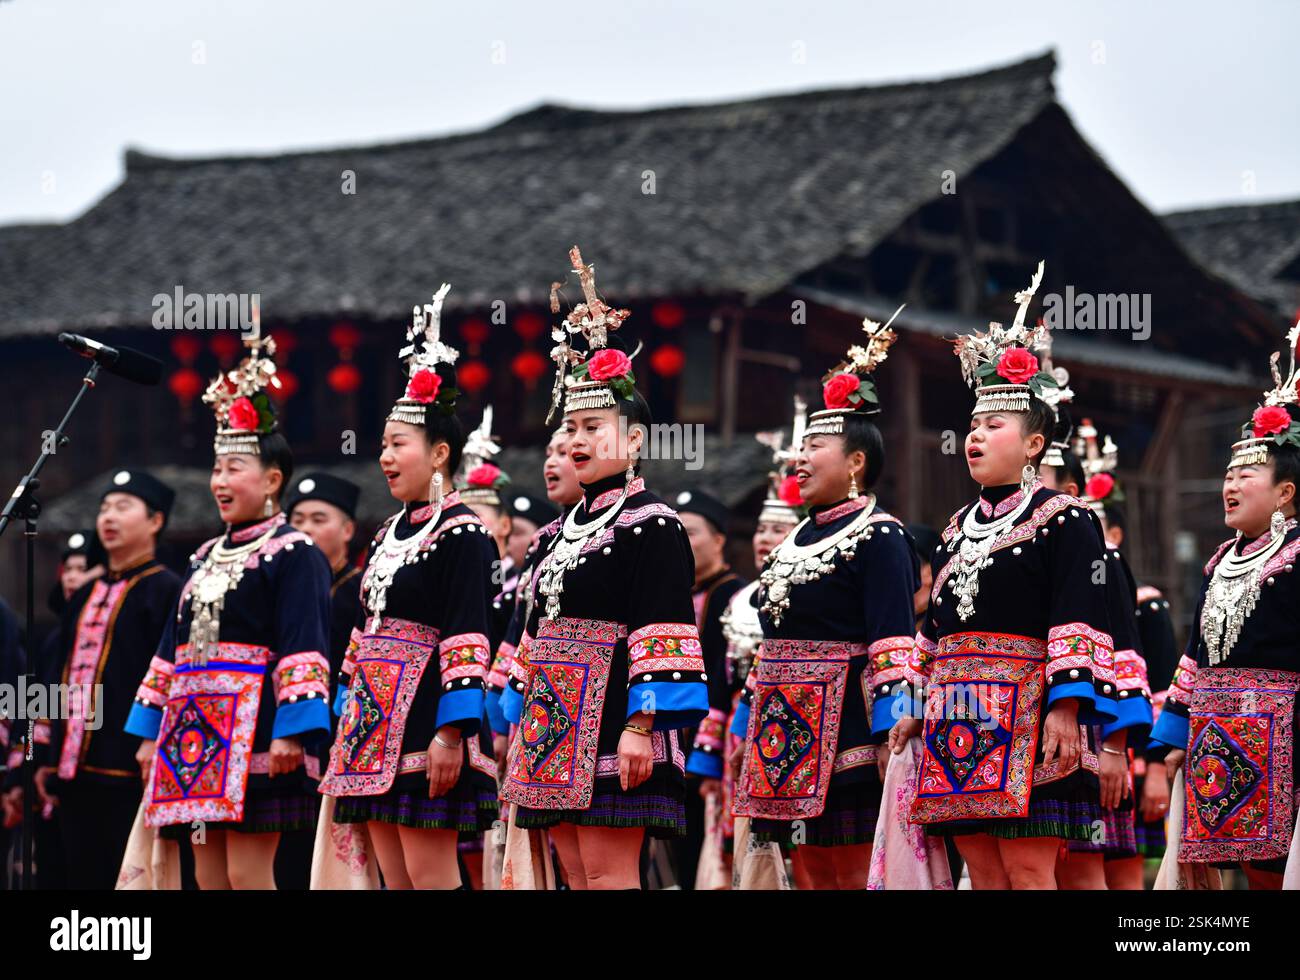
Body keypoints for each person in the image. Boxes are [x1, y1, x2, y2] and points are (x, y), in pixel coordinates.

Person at [888, 263, 1118, 889]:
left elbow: (1078, 618)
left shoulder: (1065, 519)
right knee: (983, 872)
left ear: (1035, 444)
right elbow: (934, 628)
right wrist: (910, 702)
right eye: (972, 427)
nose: (975, 437)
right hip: (954, 714)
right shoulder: (957, 525)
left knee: (1028, 869)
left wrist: (1067, 711)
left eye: (993, 427)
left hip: (1030, 714)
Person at [499, 247, 708, 889]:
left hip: (615, 723)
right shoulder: (556, 534)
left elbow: (663, 628)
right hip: (550, 724)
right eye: (571, 428)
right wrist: (515, 716)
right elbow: (533, 634)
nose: (579, 440)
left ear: (635, 439)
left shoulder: (654, 524)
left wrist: (641, 726)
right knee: (572, 874)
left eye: (594, 426)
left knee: (609, 875)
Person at [126, 321, 334, 889]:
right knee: (207, 877)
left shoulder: (293, 553)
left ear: (271, 480)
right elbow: (169, 652)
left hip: (259, 732)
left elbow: (304, 642)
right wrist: (150, 732)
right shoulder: (201, 556)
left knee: (247, 876)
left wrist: (292, 730)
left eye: (233, 468)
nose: (219, 480)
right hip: (191, 733)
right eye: (217, 468)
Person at [319, 283, 499, 889]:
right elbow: (364, 628)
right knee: (393, 879)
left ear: (440, 452)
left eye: (398, 445)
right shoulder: (389, 532)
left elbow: (470, 631)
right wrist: (345, 712)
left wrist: (453, 730)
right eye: (383, 447)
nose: (385, 459)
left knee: (430, 875)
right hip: (371, 727)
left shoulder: (463, 533)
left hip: (426, 725)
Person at [734, 308, 918, 890]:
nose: (800, 459)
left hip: (849, 731)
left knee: (850, 868)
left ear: (857, 462)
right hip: (781, 727)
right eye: (801, 446)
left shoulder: (880, 534)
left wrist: (893, 731)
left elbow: (893, 639)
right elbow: (771, 639)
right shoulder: (794, 536)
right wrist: (744, 722)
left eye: (815, 445)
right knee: (807, 871)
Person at [1151, 322, 1300, 889]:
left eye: (1246, 474)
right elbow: (1195, 657)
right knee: (1232, 873)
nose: (1229, 486)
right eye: (1227, 475)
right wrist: (1172, 736)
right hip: (1219, 737)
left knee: (1277, 872)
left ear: (1285, 491)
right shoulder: (1218, 563)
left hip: (1287, 734)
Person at [29, 471, 182, 890]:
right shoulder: (83, 594)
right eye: (104, 507)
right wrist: (43, 755)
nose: (108, 517)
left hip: (132, 768)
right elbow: (55, 675)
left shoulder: (167, 589)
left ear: (155, 521)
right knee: (79, 876)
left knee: (133, 875)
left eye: (123, 507)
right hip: (73, 770)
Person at [283, 470, 363, 889]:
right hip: (287, 741)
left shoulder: (360, 590)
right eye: (296, 521)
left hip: (342, 737)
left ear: (348, 529)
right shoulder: (281, 585)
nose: (306, 530)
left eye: (319, 519)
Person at [674, 488, 745, 888]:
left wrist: (706, 750)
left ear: (719, 539)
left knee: (710, 853)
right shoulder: (676, 593)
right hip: (673, 744)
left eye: (693, 532)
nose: (684, 541)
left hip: (711, 746)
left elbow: (723, 674)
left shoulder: (732, 595)